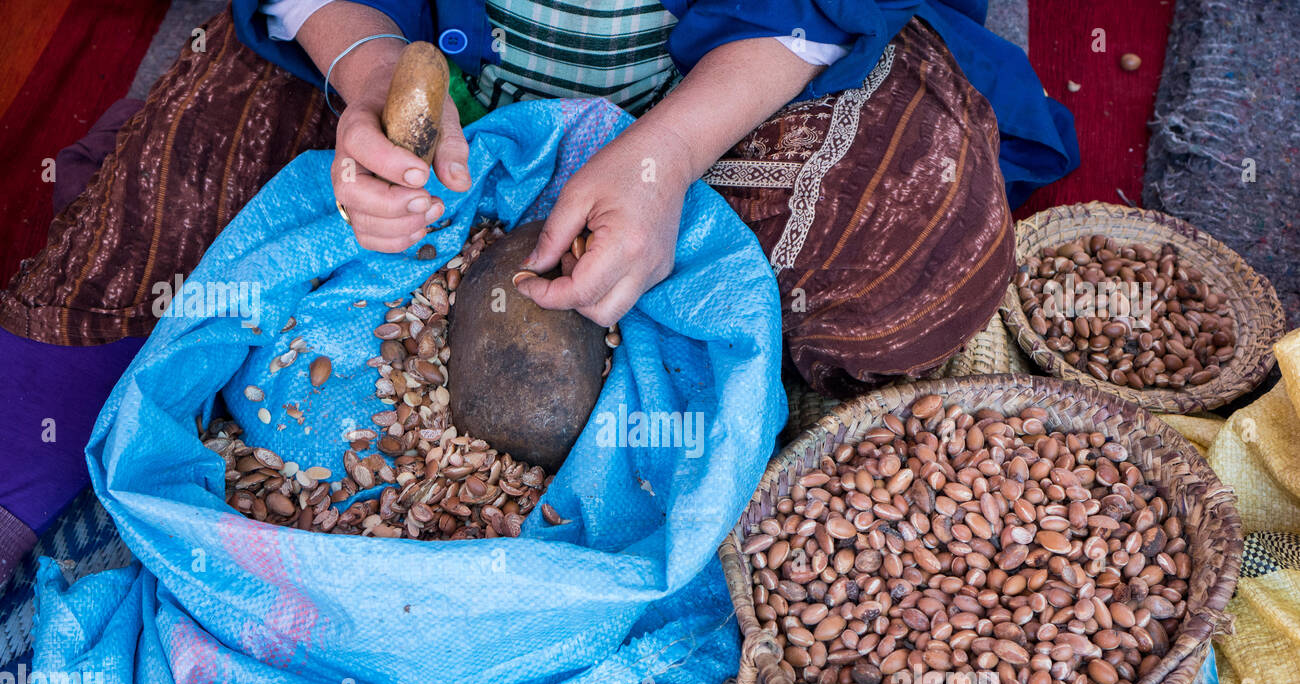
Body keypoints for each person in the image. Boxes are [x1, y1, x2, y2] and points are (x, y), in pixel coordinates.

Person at [0, 0, 1077, 585]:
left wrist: (664, 159)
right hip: (423, 44)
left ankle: (683, 290)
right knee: (175, 188)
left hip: (736, 78)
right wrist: (374, 76)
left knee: (912, 241)